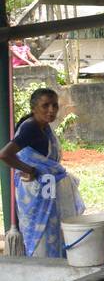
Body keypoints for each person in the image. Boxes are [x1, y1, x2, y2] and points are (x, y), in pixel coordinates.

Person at [0, 87, 84, 256]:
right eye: (45, 106)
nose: (51, 110)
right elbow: (5, 154)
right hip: (36, 191)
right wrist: (29, 169)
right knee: (41, 236)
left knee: (51, 232)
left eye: (54, 105)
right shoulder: (30, 128)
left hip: (45, 188)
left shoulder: (43, 127)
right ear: (34, 108)